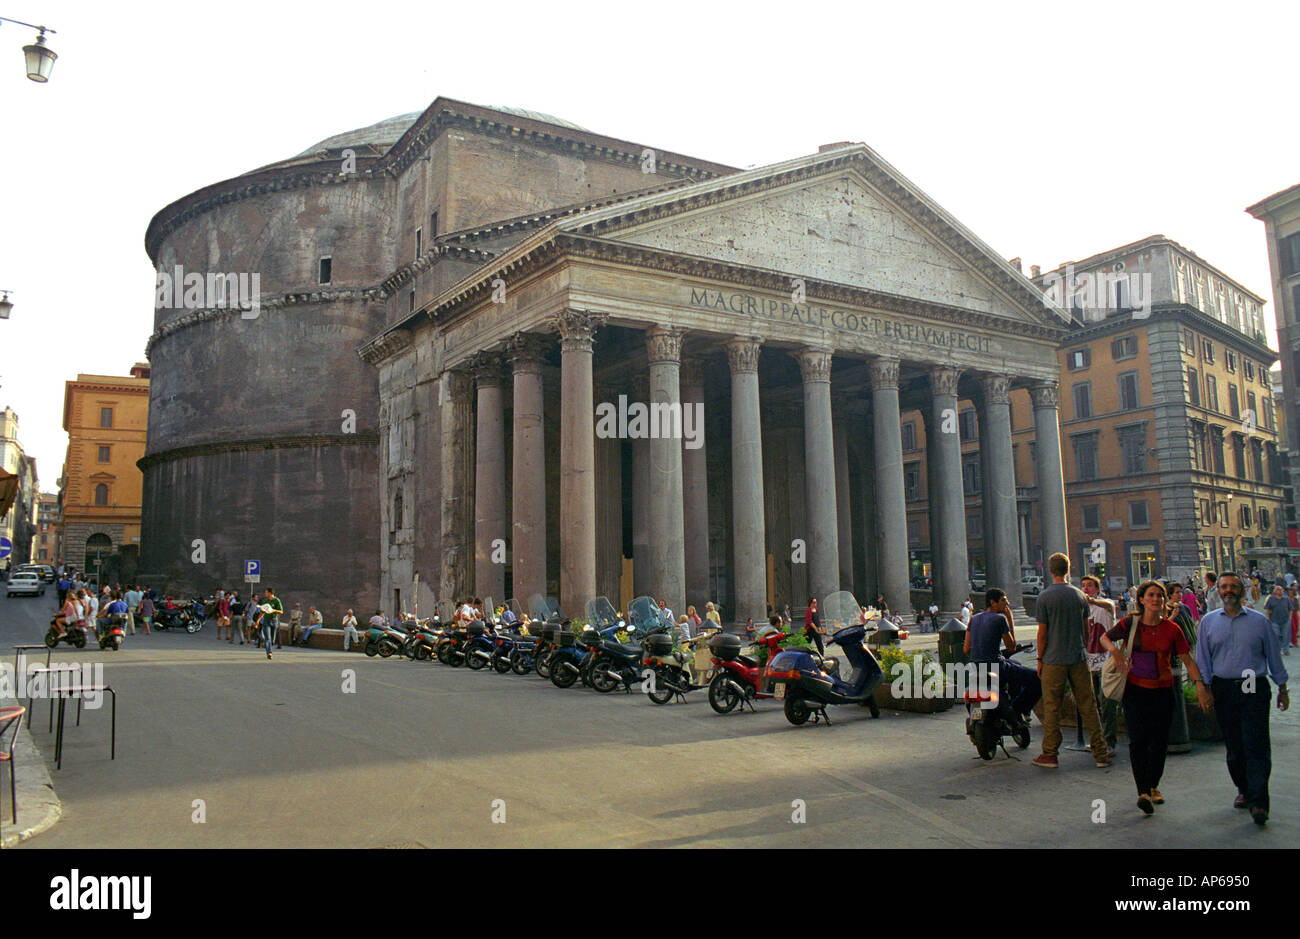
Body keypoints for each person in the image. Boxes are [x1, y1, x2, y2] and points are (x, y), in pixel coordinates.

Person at [1100, 580, 1208, 815]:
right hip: (1135, 691)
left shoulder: (1172, 629)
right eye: (1151, 595)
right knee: (1138, 740)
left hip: (1163, 690)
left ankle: (1153, 784)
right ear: (1141, 599)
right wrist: (1116, 652)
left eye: (1160, 595)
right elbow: (1104, 637)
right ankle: (1143, 792)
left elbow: (1187, 659)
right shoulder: (1131, 623)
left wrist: (1200, 684)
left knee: (1159, 742)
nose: (1156, 599)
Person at [1195, 572, 1290, 825]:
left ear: (1242, 591)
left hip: (1253, 685)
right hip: (1224, 687)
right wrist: (1203, 690)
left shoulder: (1259, 622)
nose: (1228, 591)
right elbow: (1202, 658)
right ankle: (1244, 789)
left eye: (1233, 587)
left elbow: (1273, 655)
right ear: (1219, 591)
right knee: (1235, 746)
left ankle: (1259, 801)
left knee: (1256, 743)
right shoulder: (1209, 622)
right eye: (1224, 587)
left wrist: (1282, 687)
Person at [1032, 553, 1111, 769]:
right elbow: (1086, 630)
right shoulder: (1079, 596)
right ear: (1068, 569)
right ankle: (1101, 753)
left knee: (1052, 707)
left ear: (1050, 570)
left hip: (1053, 659)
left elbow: (1042, 634)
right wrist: (1081, 648)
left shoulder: (1045, 597)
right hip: (1078, 657)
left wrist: (1040, 659)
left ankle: (1050, 754)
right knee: (1089, 705)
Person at [964, 588, 1041, 721]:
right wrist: (1010, 619)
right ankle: (1018, 710)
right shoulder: (1000, 619)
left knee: (1015, 665)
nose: (1008, 604)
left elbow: (966, 649)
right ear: (993, 602)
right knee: (1037, 678)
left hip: (977, 667)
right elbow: (1011, 647)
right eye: (1004, 600)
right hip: (997, 667)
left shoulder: (974, 619)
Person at [1082, 575, 1119, 752]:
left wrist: (1093, 601)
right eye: (1083, 586)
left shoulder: (1106, 605)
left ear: (1097, 589)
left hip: (1107, 662)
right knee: (1093, 704)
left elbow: (1109, 606)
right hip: (1090, 662)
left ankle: (1109, 742)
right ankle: (1098, 740)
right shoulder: (1082, 610)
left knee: (1107, 702)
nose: (1086, 588)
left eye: (1090, 585)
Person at [1263, 584, 1294, 656]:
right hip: (1274, 620)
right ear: (1275, 591)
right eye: (1278, 589)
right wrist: (1268, 619)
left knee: (1286, 636)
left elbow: (1291, 609)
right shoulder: (1271, 599)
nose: (1280, 591)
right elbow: (1267, 609)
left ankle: (1286, 650)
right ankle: (1278, 648)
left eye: (1281, 589)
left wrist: (1290, 618)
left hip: (1285, 620)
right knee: (1276, 635)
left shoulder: (1286, 599)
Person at [260, 587, 283, 658]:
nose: (265, 594)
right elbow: (262, 612)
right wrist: (257, 621)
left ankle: (269, 645)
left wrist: (273, 610)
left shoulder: (276, 600)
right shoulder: (265, 601)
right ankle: (269, 653)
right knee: (268, 638)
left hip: (274, 620)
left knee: (272, 639)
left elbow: (281, 611)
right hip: (266, 620)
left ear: (270, 593)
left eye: (266, 592)